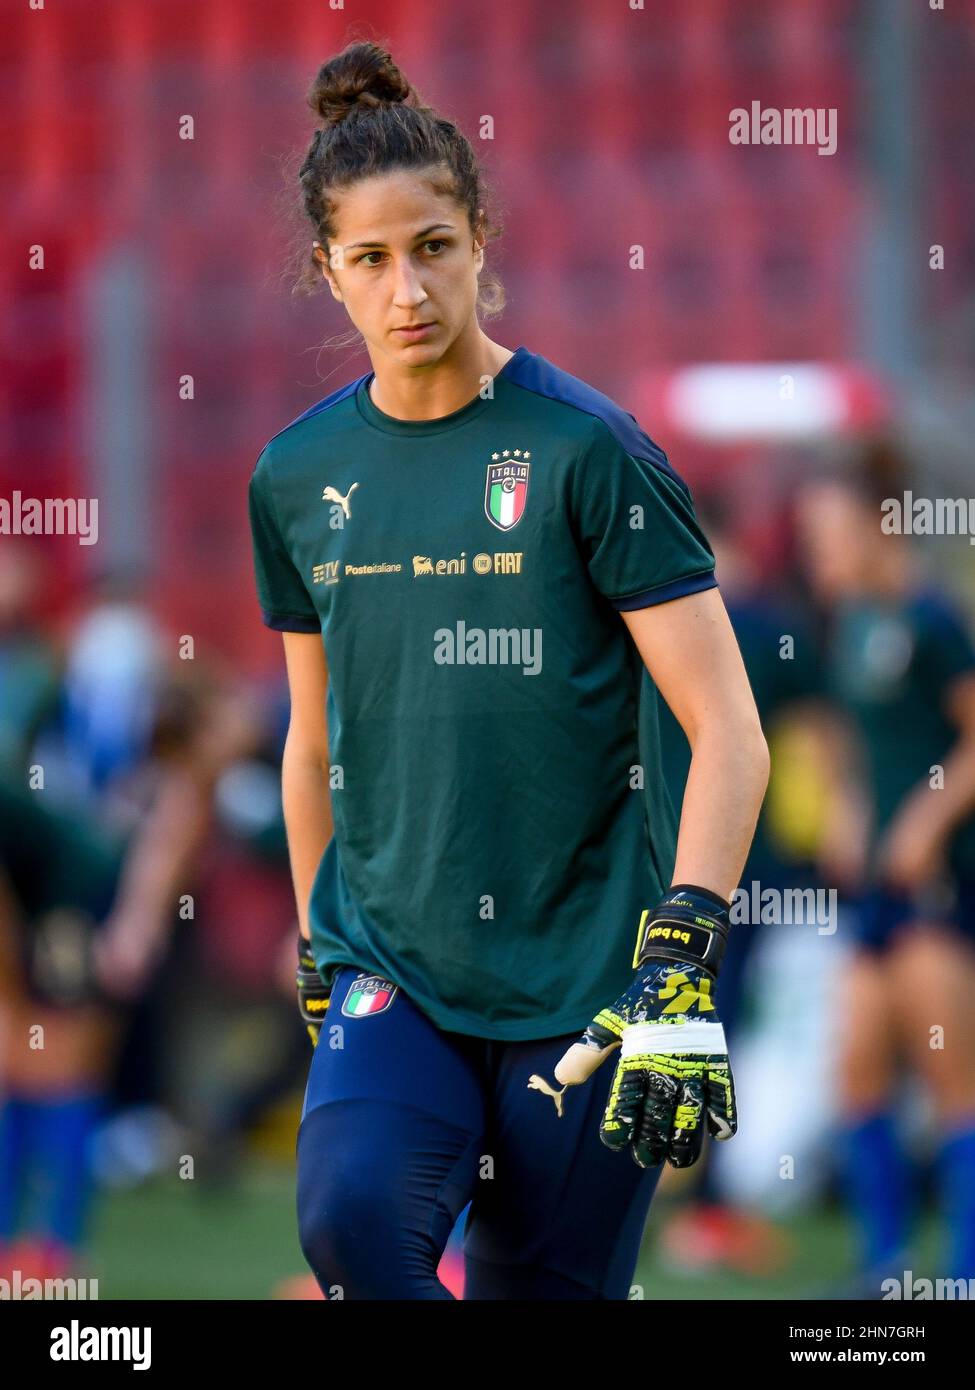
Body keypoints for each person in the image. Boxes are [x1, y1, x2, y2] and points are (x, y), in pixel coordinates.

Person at [249, 41, 768, 1301]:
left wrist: (681, 947)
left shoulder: (593, 452)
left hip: (587, 987)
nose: (407, 285)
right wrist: (324, 938)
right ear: (328, 273)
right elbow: (312, 737)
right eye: (369, 259)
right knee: (354, 1228)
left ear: (480, 237)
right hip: (392, 973)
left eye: (432, 245)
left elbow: (728, 730)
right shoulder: (294, 479)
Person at [796, 444, 975, 1292]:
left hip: (935, 886)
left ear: (878, 525)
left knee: (951, 1074)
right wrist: (848, 805)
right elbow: (853, 736)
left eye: (829, 532)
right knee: (856, 1066)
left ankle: (965, 1271)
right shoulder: (851, 621)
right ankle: (887, 1268)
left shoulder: (931, 620)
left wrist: (925, 820)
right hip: (870, 888)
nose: (817, 551)